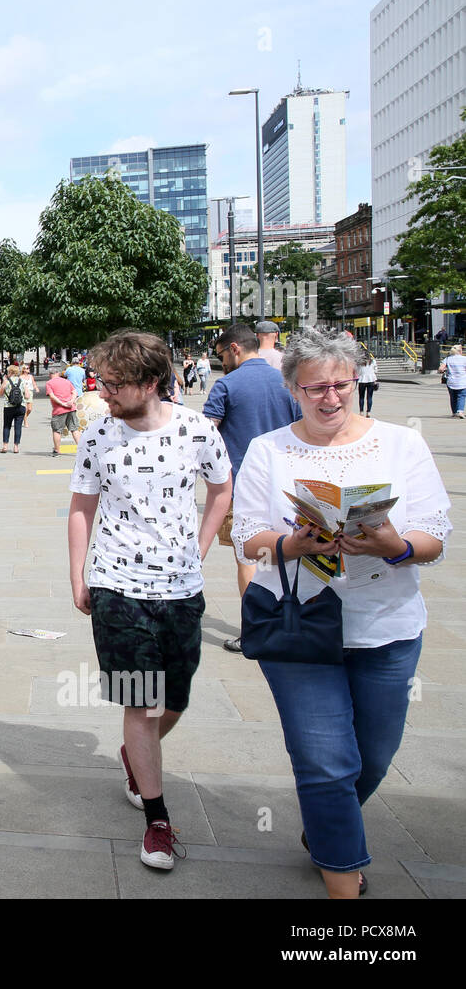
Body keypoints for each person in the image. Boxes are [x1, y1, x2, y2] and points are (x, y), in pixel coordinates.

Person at [232, 326, 450, 899]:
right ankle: (343, 883)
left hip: (388, 627)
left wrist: (395, 546)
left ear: (357, 382)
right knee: (327, 762)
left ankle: (326, 828)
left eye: (341, 386)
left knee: (372, 759)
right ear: (292, 391)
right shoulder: (269, 448)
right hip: (300, 624)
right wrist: (289, 545)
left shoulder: (403, 444)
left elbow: (434, 539)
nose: (330, 399)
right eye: (314, 390)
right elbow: (247, 535)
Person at [67, 331, 232, 871]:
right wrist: (79, 574)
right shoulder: (97, 435)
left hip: (181, 589)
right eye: (101, 381)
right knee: (141, 704)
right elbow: (81, 508)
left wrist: (202, 547)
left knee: (174, 700)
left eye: (114, 384)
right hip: (118, 586)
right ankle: (157, 820)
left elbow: (222, 488)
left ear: (151, 382)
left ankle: (135, 754)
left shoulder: (197, 430)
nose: (102, 391)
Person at [203, 323, 303, 653]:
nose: (221, 362)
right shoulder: (287, 384)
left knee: (249, 559)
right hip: (287, 486)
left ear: (235, 348)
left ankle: (254, 631)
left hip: (241, 485)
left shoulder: (227, 386)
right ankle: (290, 625)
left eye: (221, 355)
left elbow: (205, 436)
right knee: (287, 556)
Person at [45, 363, 79, 455]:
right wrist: (71, 401)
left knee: (57, 430)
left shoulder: (49, 383)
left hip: (59, 410)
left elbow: (52, 396)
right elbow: (74, 392)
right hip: (71, 408)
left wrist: (62, 403)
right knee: (74, 429)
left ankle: (57, 450)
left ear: (50, 375)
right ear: (59, 373)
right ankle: (81, 449)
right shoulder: (66, 381)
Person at [0, 363, 31, 453]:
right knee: (18, 427)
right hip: (21, 407)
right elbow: (28, 396)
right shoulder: (22, 381)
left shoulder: (6, 381)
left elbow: (0, 393)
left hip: (8, 407)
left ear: (10, 372)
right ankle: (16, 447)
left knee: (7, 426)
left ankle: (5, 446)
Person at [438, 344, 466, 417]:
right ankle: (460, 411)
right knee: (461, 396)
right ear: (460, 351)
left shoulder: (448, 359)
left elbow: (441, 369)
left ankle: (454, 413)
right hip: (462, 381)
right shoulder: (464, 359)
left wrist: (446, 369)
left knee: (453, 397)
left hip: (451, 382)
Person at [356, 349, 378, 417]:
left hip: (362, 380)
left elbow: (357, 371)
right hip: (371, 380)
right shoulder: (373, 361)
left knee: (361, 397)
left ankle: (361, 412)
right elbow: (376, 370)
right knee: (369, 397)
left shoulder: (359, 362)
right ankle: (368, 412)